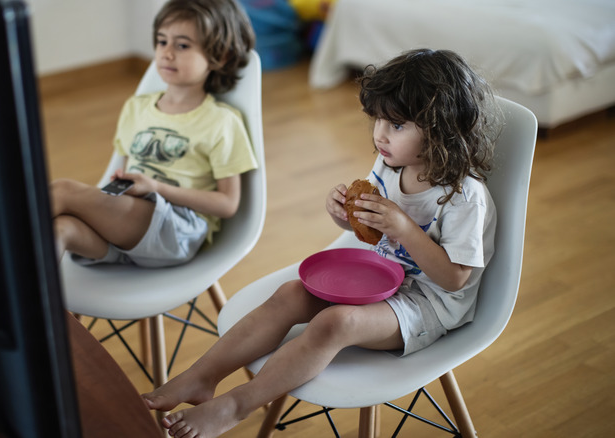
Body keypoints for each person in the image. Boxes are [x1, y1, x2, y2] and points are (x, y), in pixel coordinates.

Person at [142, 48, 502, 438]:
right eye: (379, 118)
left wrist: (404, 229)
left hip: (427, 305)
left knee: (335, 323)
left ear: (440, 129)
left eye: (397, 125)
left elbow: (454, 280)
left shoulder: (463, 197)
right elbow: (371, 231)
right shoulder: (390, 164)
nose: (380, 133)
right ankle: (200, 377)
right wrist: (345, 216)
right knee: (290, 294)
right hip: (380, 278)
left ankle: (237, 404)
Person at [50, 0, 257, 267]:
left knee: (62, 191)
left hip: (177, 230)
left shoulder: (221, 121)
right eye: (161, 41)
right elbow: (123, 174)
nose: (167, 53)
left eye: (182, 45)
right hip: (128, 231)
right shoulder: (136, 108)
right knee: (61, 229)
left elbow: (228, 203)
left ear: (222, 56)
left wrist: (157, 187)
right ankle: (36, 308)